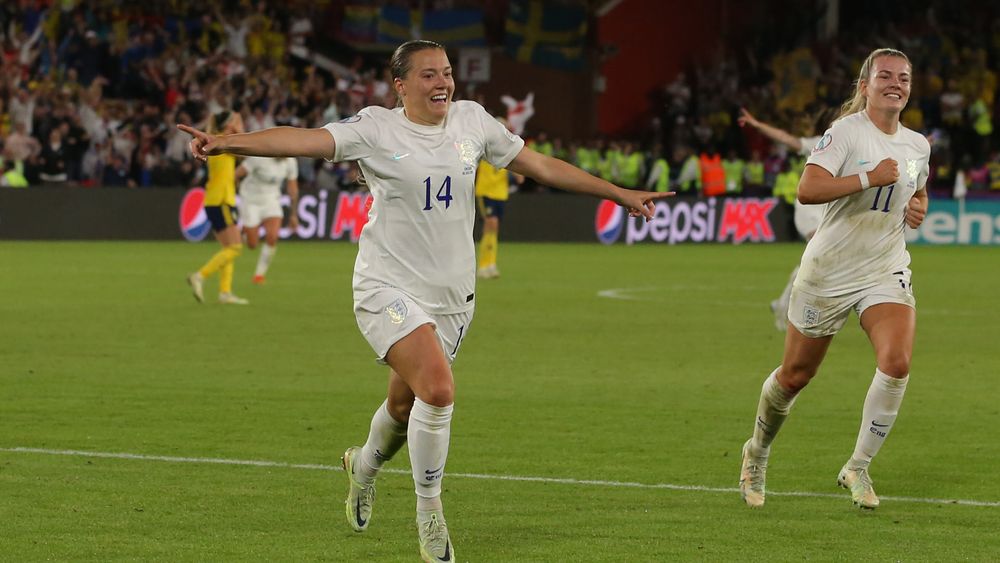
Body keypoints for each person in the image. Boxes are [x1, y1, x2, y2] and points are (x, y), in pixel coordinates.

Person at [178, 39, 673, 562]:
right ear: (401, 85)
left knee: (403, 403)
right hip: (386, 285)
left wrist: (619, 193)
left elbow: (542, 165)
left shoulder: (473, 122)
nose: (443, 82)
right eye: (429, 74)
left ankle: (363, 466)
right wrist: (228, 143)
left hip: (453, 297)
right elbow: (302, 141)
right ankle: (430, 513)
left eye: (447, 72)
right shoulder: (375, 128)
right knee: (438, 390)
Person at [738, 48, 930, 511]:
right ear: (865, 86)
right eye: (885, 75)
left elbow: (916, 184)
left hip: (884, 267)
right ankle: (756, 453)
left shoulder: (917, 144)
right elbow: (808, 189)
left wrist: (919, 205)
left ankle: (858, 466)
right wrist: (867, 178)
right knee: (796, 376)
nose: (896, 83)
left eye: (903, 77)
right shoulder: (844, 134)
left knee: (897, 361)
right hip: (829, 271)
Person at [738, 106, 837, 331]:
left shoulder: (849, 147)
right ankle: (789, 304)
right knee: (818, 255)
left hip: (826, 210)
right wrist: (758, 125)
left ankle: (785, 303)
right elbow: (787, 139)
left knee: (819, 260)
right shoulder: (820, 143)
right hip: (810, 209)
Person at [186, 110, 249, 305]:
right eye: (237, 121)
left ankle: (225, 292)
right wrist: (240, 131)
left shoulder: (217, 142)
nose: (240, 124)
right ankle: (200, 275)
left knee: (227, 248)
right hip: (222, 200)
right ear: (229, 125)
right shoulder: (224, 142)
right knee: (236, 247)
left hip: (213, 200)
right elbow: (247, 147)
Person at [235, 156, 300, 284]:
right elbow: (236, 174)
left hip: (272, 200)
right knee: (252, 245)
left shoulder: (291, 162)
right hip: (250, 201)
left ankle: (259, 275)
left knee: (273, 236)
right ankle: (245, 232)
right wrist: (237, 194)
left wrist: (293, 214)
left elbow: (292, 189)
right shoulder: (258, 158)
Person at [475, 117, 522, 280]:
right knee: (491, 223)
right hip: (485, 191)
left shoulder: (507, 149)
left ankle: (491, 264)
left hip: (500, 193)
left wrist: (517, 173)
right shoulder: (483, 144)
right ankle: (483, 265)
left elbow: (520, 175)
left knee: (494, 228)